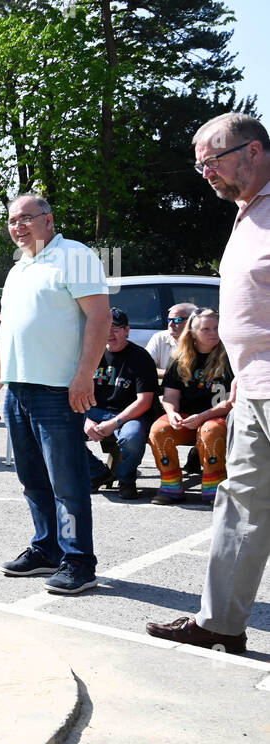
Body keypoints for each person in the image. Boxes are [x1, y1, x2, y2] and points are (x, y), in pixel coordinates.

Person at [147, 112, 270, 655]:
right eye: (200, 166)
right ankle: (220, 623)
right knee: (239, 505)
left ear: (254, 151)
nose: (206, 174)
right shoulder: (247, 216)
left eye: (212, 161)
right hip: (253, 390)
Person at [0, 194, 110, 595]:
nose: (18, 227)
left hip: (58, 391)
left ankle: (78, 562)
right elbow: (8, 335)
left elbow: (100, 317)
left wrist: (84, 376)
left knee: (67, 482)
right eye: (12, 221)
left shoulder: (75, 255)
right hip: (18, 390)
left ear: (49, 220)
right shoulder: (19, 269)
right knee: (32, 478)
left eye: (26, 219)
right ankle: (47, 549)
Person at [146, 308, 234, 506]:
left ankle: (214, 488)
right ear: (192, 333)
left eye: (217, 328)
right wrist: (172, 413)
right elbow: (169, 396)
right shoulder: (180, 359)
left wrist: (202, 417)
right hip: (186, 416)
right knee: (159, 430)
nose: (213, 333)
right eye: (206, 329)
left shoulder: (229, 357)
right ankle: (171, 486)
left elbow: (230, 401)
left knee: (210, 430)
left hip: (218, 417)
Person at [84, 308, 159, 500]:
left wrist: (114, 423)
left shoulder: (140, 357)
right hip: (93, 412)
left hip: (128, 415)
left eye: (115, 328)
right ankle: (98, 473)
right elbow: (77, 391)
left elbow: (145, 401)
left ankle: (126, 479)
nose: (109, 333)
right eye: (105, 327)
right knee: (60, 432)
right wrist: (85, 419)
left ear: (127, 330)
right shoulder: (90, 354)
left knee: (131, 437)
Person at [145, 302, 197, 380]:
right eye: (169, 320)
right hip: (165, 388)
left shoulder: (201, 340)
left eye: (177, 320)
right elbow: (144, 368)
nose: (170, 324)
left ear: (192, 321)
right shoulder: (159, 338)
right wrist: (173, 375)